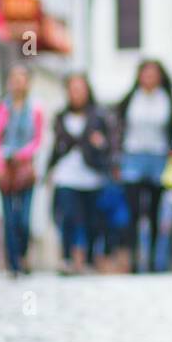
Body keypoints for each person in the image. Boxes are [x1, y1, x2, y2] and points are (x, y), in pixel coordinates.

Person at [114, 59, 172, 273]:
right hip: (133, 157)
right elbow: (117, 125)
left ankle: (151, 259)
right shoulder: (130, 99)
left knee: (154, 210)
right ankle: (133, 258)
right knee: (132, 211)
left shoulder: (167, 99)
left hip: (158, 157)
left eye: (154, 73)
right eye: (146, 73)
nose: (149, 77)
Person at [46, 73, 112, 275]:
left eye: (80, 89)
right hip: (67, 174)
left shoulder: (99, 116)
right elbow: (55, 148)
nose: (76, 93)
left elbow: (109, 144)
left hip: (91, 175)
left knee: (92, 220)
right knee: (67, 216)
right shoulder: (60, 117)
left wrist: (101, 144)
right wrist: (48, 171)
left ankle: (90, 260)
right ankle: (66, 258)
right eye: (72, 89)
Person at [0, 63, 44, 278]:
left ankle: (22, 254)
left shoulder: (36, 109)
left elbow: (38, 139)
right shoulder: (2, 108)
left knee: (23, 219)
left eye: (21, 78)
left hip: (25, 169)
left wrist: (22, 156)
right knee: (9, 219)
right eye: (14, 78)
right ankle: (13, 263)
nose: (17, 83)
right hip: (5, 168)